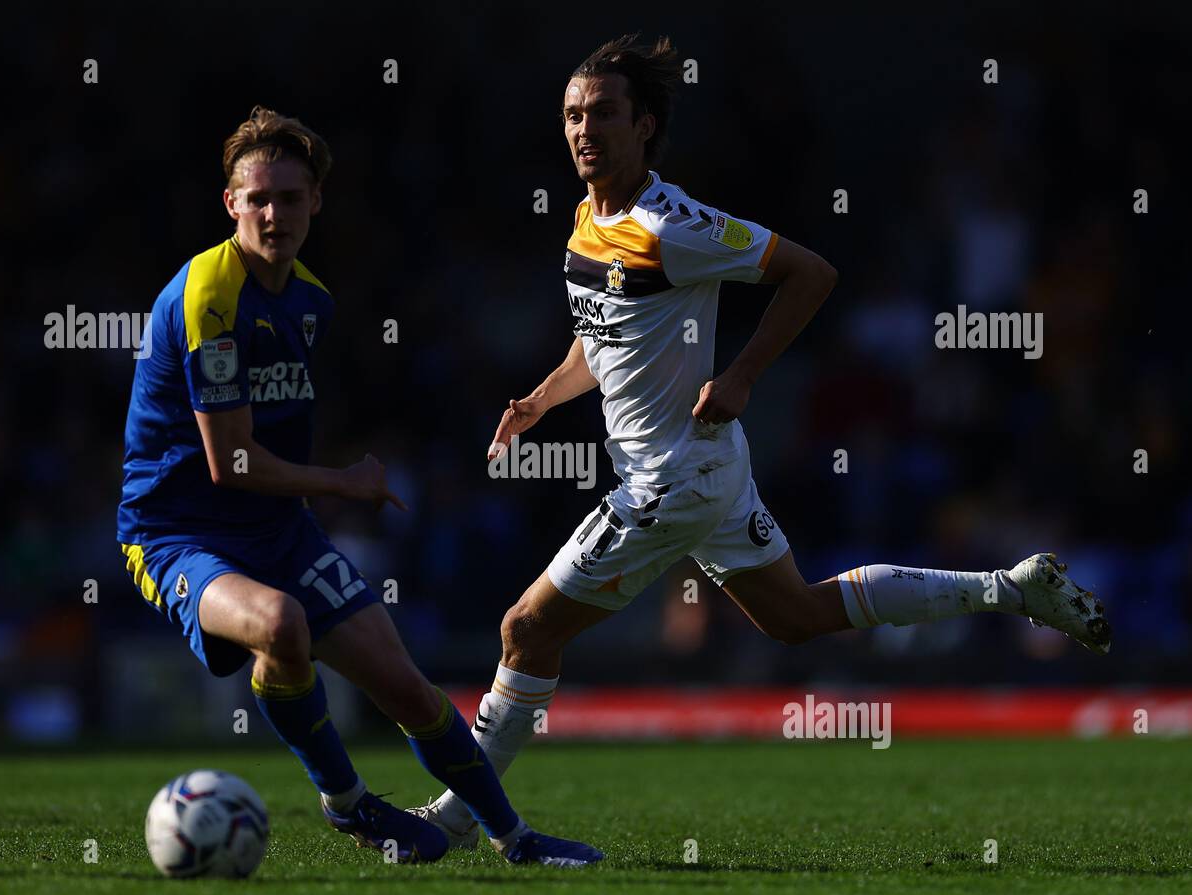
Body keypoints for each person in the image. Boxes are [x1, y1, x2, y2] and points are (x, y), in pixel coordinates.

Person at [412, 36, 1110, 848]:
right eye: (572, 114)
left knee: (525, 631)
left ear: (645, 124)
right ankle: (1011, 588)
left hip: (668, 479)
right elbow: (598, 341)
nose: (583, 128)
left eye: (603, 112)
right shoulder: (588, 217)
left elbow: (811, 272)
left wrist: (743, 373)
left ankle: (461, 819)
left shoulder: (674, 224)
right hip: (705, 470)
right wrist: (541, 397)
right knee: (799, 616)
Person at [117, 106, 601, 866]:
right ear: (231, 205)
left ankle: (517, 839)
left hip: (277, 530)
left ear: (317, 203)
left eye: (292, 197)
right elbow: (231, 463)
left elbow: (279, 432)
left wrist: (321, 488)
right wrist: (344, 482)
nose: (275, 213)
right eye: (259, 198)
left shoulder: (311, 301)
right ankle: (348, 806)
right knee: (279, 626)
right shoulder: (208, 298)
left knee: (406, 688)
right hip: (176, 534)